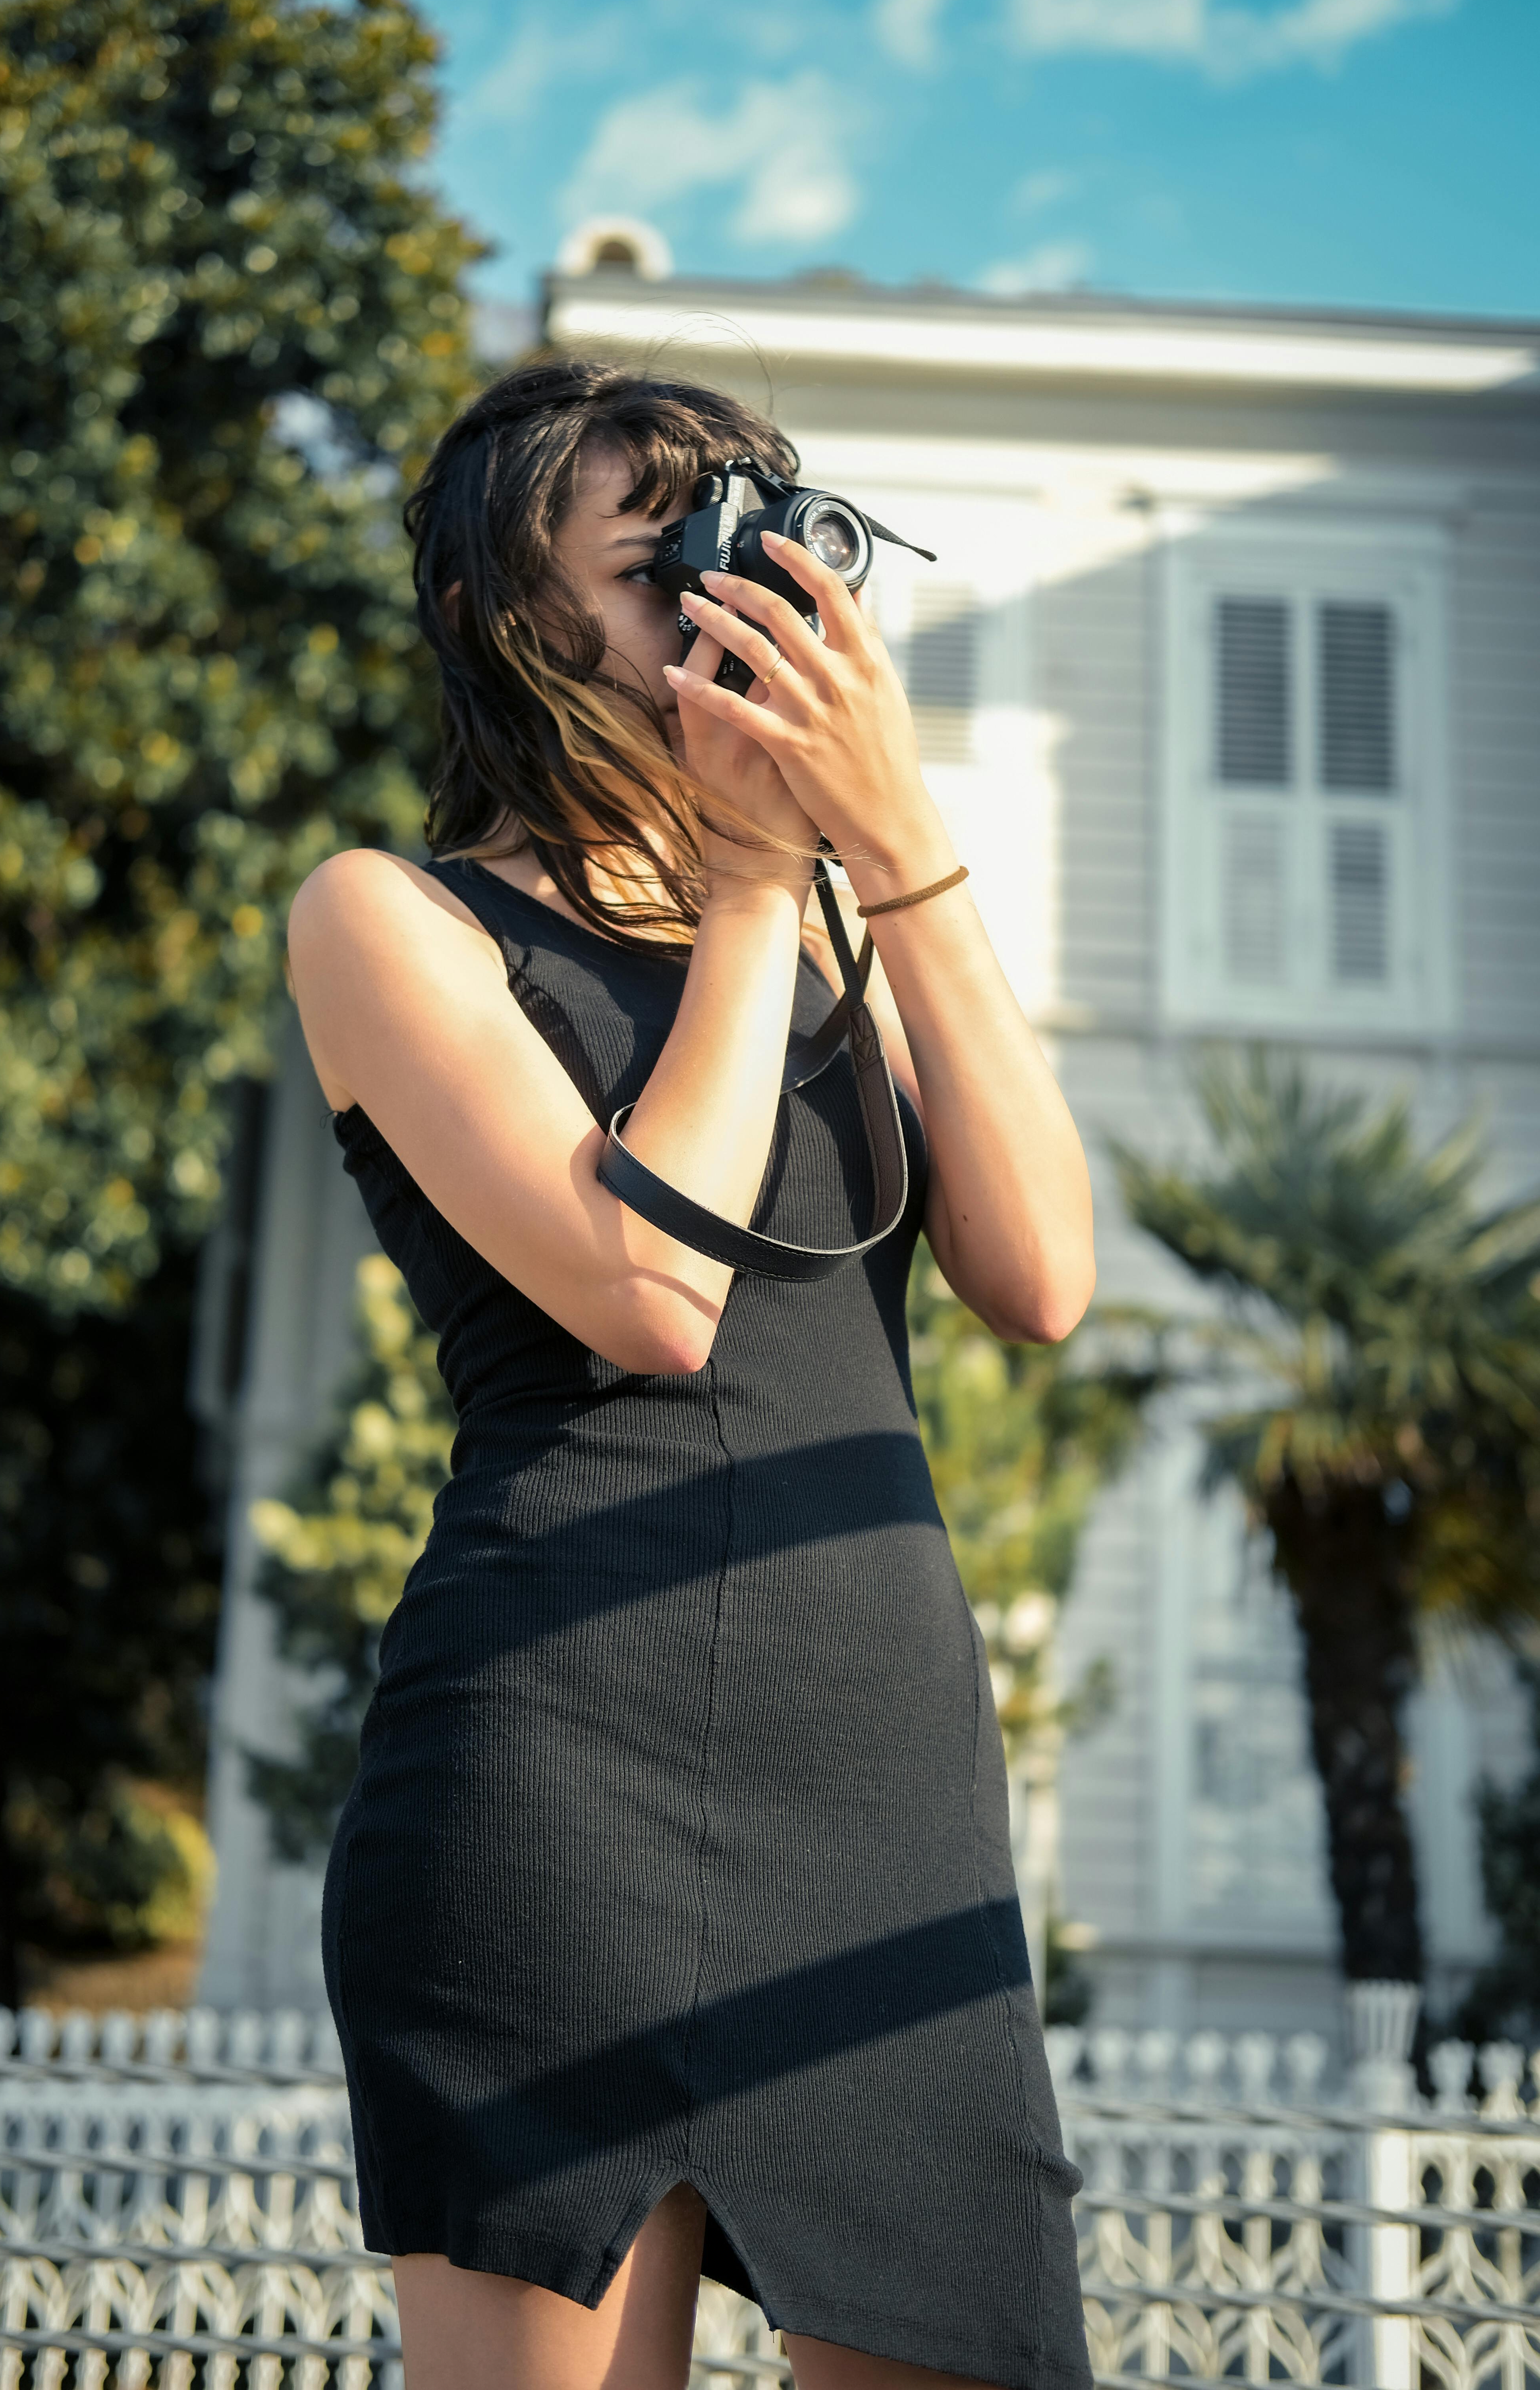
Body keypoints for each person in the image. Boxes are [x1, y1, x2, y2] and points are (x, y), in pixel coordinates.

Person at [286, 359, 1098, 2390]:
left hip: (882, 1792)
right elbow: (652, 1292)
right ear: (509, 616)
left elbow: (1043, 1275)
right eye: (659, 565)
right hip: (559, 1772)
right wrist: (748, 877)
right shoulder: (390, 920)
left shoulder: (828, 921)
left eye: (746, 540)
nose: (719, 601)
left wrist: (889, 837)